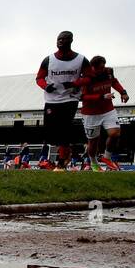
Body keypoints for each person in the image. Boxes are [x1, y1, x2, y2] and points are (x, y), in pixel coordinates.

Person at [35, 31, 89, 170]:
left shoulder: (81, 60)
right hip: (52, 100)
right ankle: (67, 151)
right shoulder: (48, 60)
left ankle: (61, 161)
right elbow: (39, 78)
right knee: (51, 133)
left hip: (70, 98)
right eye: (59, 39)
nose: (60, 41)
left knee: (64, 128)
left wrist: (74, 84)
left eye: (64, 39)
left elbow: (89, 77)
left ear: (71, 41)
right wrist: (46, 86)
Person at [73, 56, 130, 170]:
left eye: (103, 67)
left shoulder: (108, 72)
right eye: (100, 68)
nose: (102, 70)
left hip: (108, 110)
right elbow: (81, 97)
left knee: (115, 133)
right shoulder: (85, 77)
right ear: (93, 68)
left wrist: (123, 92)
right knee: (93, 142)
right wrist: (101, 96)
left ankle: (106, 157)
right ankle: (93, 162)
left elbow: (114, 81)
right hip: (90, 114)